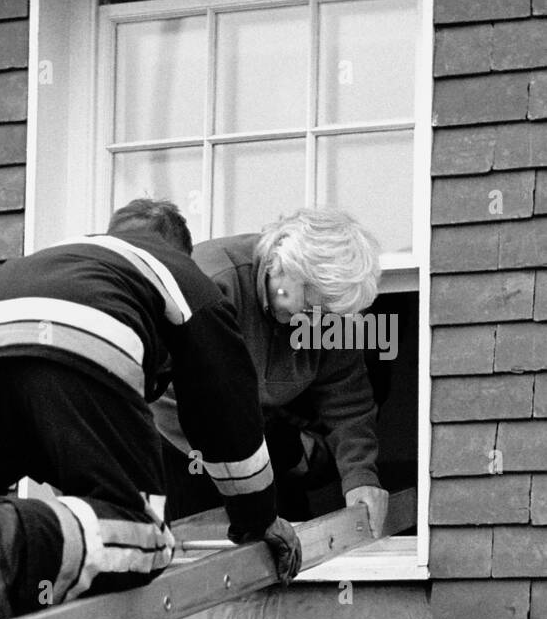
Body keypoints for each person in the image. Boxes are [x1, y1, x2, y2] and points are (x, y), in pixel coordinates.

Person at [0, 199, 302, 619]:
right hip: (76, 328)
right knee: (140, 534)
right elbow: (223, 412)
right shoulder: (182, 272)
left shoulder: (70, 255)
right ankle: (0, 534)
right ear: (179, 249)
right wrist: (258, 518)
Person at [154, 207, 389, 535]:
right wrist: (236, 461)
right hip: (175, 441)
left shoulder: (326, 315)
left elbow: (349, 404)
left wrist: (361, 477)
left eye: (324, 316)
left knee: (283, 545)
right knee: (196, 554)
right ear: (281, 261)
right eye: (306, 305)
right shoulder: (213, 280)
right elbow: (165, 388)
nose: (311, 323)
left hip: (252, 439)